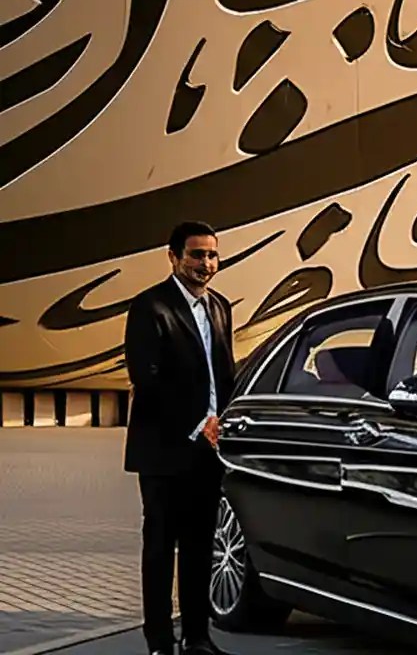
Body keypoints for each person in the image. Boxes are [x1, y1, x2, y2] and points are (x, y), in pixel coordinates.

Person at [124, 221, 235, 655]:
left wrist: (224, 421)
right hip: (163, 450)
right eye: (195, 254)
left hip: (209, 451)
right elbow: (146, 380)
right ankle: (159, 643)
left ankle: (198, 638)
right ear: (173, 257)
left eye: (211, 255)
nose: (205, 263)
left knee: (198, 547)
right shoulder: (150, 306)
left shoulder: (221, 306)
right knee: (159, 550)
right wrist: (196, 423)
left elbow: (223, 374)